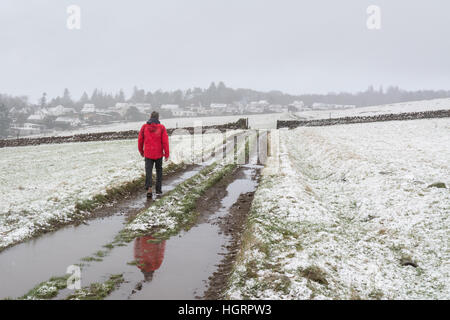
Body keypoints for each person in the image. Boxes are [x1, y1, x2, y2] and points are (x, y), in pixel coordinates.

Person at [138, 111, 169, 198]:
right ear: (158, 118)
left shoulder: (144, 127)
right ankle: (158, 190)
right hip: (158, 153)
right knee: (159, 171)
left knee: (148, 171)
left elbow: (140, 140)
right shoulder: (161, 127)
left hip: (148, 153)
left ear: (150, 117)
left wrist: (141, 151)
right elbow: (165, 141)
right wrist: (166, 154)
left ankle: (149, 189)